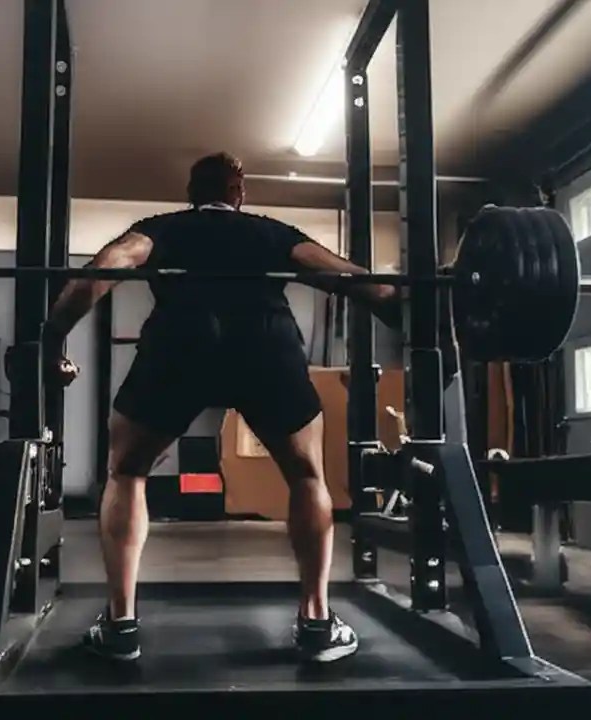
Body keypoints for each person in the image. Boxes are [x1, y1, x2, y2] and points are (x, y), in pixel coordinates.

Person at [41, 152, 403, 664]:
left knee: (127, 471)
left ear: (191, 193)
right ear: (241, 194)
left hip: (181, 343)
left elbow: (108, 266)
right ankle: (317, 622)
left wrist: (52, 339)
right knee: (306, 475)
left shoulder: (160, 228)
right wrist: (408, 317)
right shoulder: (270, 232)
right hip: (266, 346)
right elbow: (350, 278)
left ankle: (121, 626)